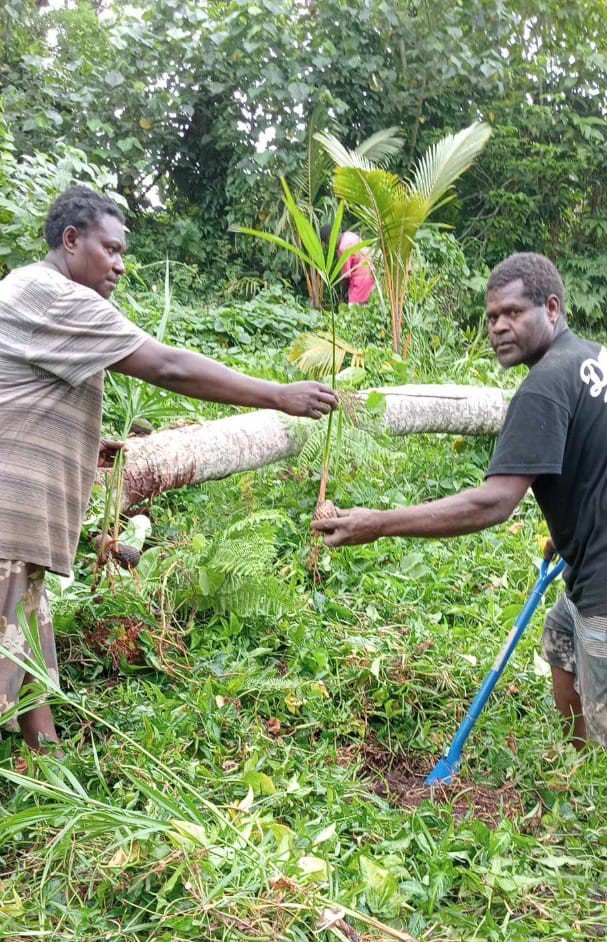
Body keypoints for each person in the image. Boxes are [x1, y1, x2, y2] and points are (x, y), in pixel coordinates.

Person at [0, 184, 338, 752]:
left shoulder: (27, 290)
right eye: (110, 250)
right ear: (71, 240)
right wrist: (279, 394)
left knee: (25, 647)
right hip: (8, 520)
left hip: (18, 521)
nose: (120, 265)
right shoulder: (57, 296)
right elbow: (169, 367)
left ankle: (49, 773)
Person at [313, 251, 607, 750]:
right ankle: (578, 762)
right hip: (589, 560)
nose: (498, 327)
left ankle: (594, 773)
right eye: (492, 316)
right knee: (560, 637)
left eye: (513, 313)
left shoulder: (542, 387)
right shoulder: (592, 358)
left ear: (552, 309)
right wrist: (573, 529)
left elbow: (493, 503)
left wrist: (379, 523)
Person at [320, 224, 375, 305]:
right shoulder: (349, 235)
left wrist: (342, 297)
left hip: (359, 282)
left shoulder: (343, 248)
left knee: (353, 311)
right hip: (371, 275)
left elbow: (345, 276)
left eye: (328, 242)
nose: (329, 246)